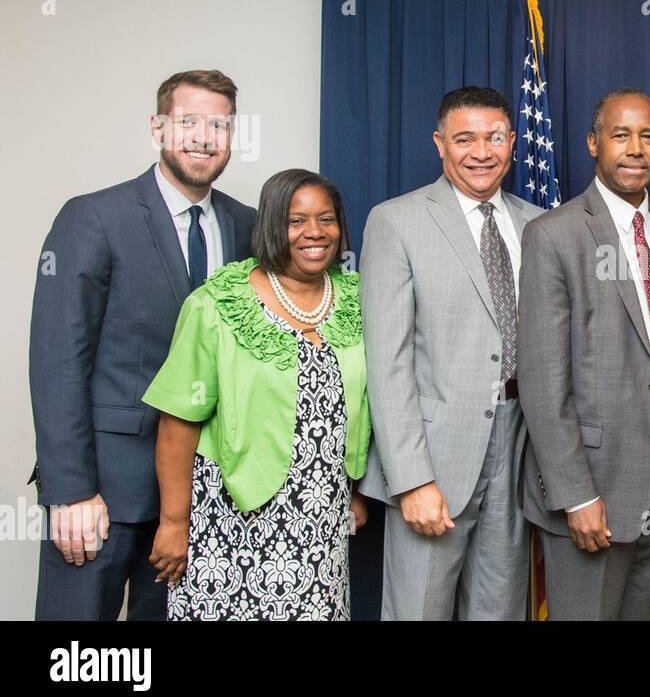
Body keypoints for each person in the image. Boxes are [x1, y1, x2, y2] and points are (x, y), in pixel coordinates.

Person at [29, 70, 256, 621]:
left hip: (206, 499)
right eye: (188, 121)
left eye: (219, 125)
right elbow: (58, 361)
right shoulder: (94, 217)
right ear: (158, 128)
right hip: (102, 493)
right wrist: (70, 490)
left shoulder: (247, 225)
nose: (203, 137)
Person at [142, 169, 371, 620]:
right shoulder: (218, 303)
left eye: (326, 219)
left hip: (322, 517)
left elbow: (366, 406)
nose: (314, 232)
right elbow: (178, 420)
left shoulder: (357, 297)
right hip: (231, 516)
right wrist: (173, 522)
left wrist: (356, 489)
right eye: (295, 221)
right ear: (270, 226)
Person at [356, 86, 543, 620]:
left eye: (494, 138)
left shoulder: (537, 224)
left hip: (519, 446)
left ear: (513, 142)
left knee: (500, 611)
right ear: (440, 144)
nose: (481, 152)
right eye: (464, 139)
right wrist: (411, 479)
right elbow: (387, 365)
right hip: (434, 457)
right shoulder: (396, 221)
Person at [518, 88, 650, 620]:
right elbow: (542, 381)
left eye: (648, 136)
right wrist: (576, 495)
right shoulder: (553, 234)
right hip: (594, 478)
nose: (635, 149)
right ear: (593, 143)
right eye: (621, 135)